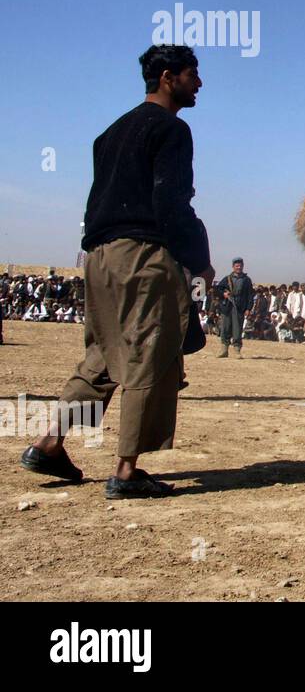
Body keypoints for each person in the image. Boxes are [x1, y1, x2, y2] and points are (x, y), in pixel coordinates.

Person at [22, 44, 213, 498]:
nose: (199, 83)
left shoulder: (109, 134)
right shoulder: (171, 130)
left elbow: (95, 203)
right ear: (168, 78)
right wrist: (198, 257)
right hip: (144, 256)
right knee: (151, 352)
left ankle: (49, 443)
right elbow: (172, 203)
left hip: (100, 256)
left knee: (104, 355)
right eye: (192, 75)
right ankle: (126, 471)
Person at [214, 257, 254, 358]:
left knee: (237, 329)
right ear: (233, 267)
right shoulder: (227, 279)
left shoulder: (246, 280)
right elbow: (217, 290)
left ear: (243, 266)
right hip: (227, 307)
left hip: (239, 308)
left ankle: (237, 350)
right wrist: (224, 294)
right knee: (225, 328)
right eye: (236, 266)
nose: (238, 267)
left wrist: (248, 308)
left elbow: (250, 295)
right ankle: (224, 350)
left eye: (240, 265)